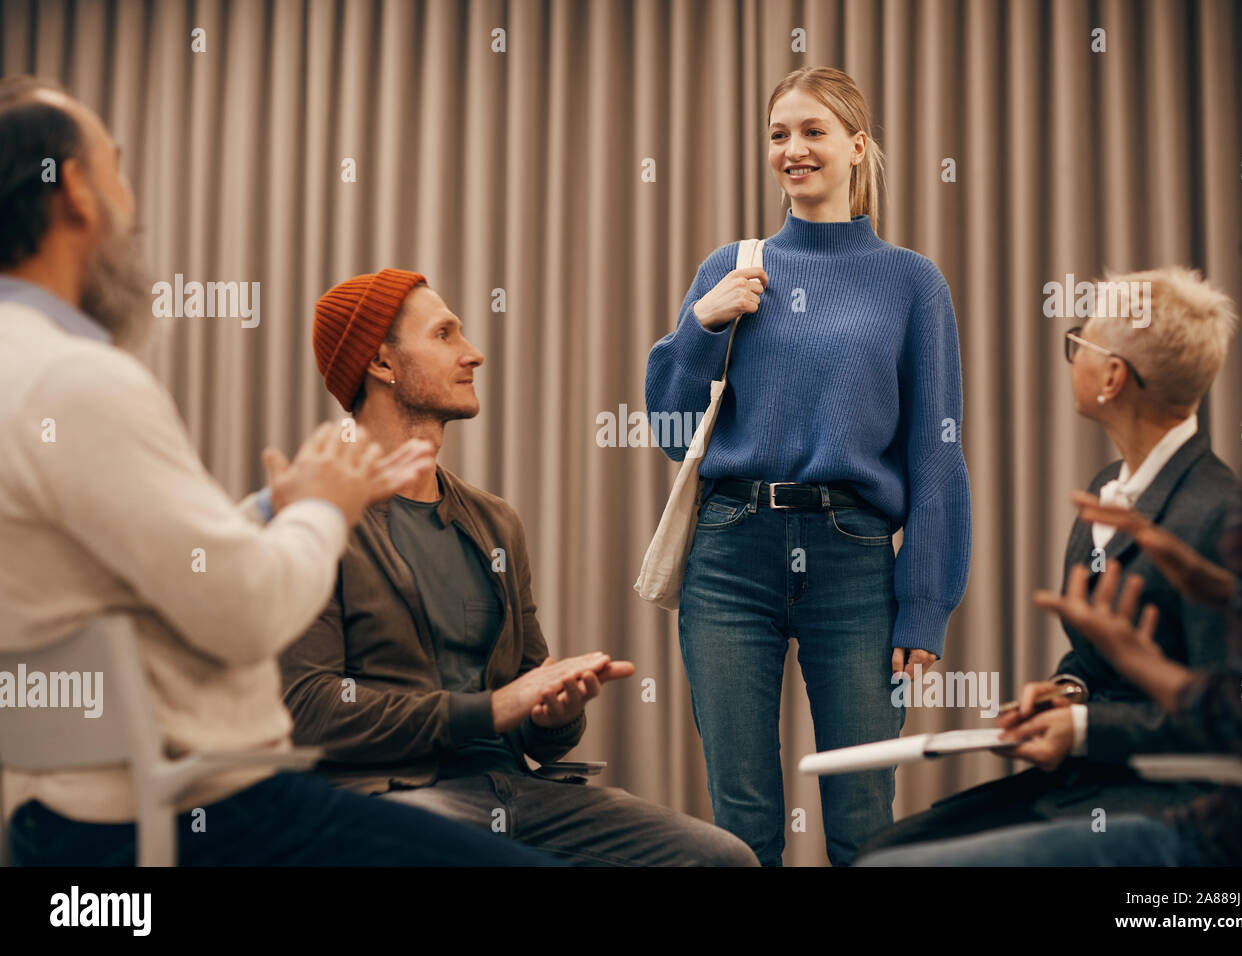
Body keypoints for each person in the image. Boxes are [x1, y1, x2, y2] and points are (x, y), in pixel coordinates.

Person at [0, 76, 556, 866]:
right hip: (201, 814)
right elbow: (245, 611)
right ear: (79, 193)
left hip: (51, 820)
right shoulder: (81, 380)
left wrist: (272, 506)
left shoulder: (22, 371)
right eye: (118, 169)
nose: (135, 209)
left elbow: (157, 566)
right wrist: (323, 512)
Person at [859, 158, 1242, 867]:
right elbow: (1094, 662)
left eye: (1080, 344)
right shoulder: (1107, 491)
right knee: (886, 847)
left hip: (1167, 794)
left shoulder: (1215, 514)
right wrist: (1066, 690)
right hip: (1090, 775)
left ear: (1112, 375)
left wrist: (1085, 726)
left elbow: (1233, 719)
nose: (1072, 357)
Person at [279, 270, 759, 866]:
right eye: (445, 335)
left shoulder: (493, 522)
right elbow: (310, 709)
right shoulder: (319, 521)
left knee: (722, 858)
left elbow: (535, 714)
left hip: (514, 789)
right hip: (394, 794)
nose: (473, 353)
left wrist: (554, 712)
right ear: (382, 363)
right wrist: (490, 710)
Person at [644, 67, 971, 865]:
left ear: (858, 147)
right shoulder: (733, 266)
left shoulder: (912, 282)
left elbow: (937, 453)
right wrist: (699, 325)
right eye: (779, 133)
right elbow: (669, 427)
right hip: (729, 553)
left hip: (853, 561)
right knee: (742, 826)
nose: (793, 149)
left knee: (864, 819)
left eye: (813, 131)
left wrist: (926, 601)